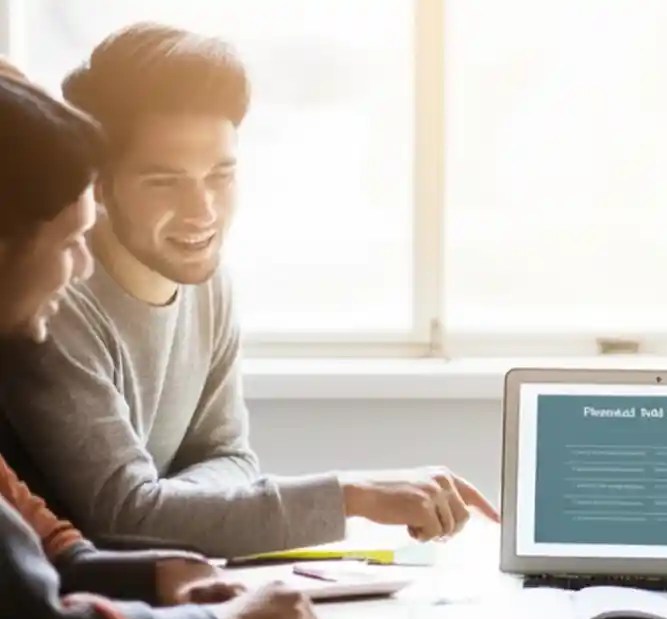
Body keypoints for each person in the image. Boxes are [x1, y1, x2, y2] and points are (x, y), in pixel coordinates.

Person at [0, 24, 499, 560]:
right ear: (101, 184)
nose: (202, 212)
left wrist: (171, 507)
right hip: (74, 600)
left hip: (154, 585)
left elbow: (231, 459)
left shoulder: (207, 279)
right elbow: (121, 516)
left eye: (220, 175)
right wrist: (349, 496)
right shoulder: (47, 298)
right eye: (164, 181)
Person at [0, 65, 319, 619]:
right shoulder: (63, 326)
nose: (82, 265)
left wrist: (155, 572)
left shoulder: (212, 287)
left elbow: (45, 541)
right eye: (67, 243)